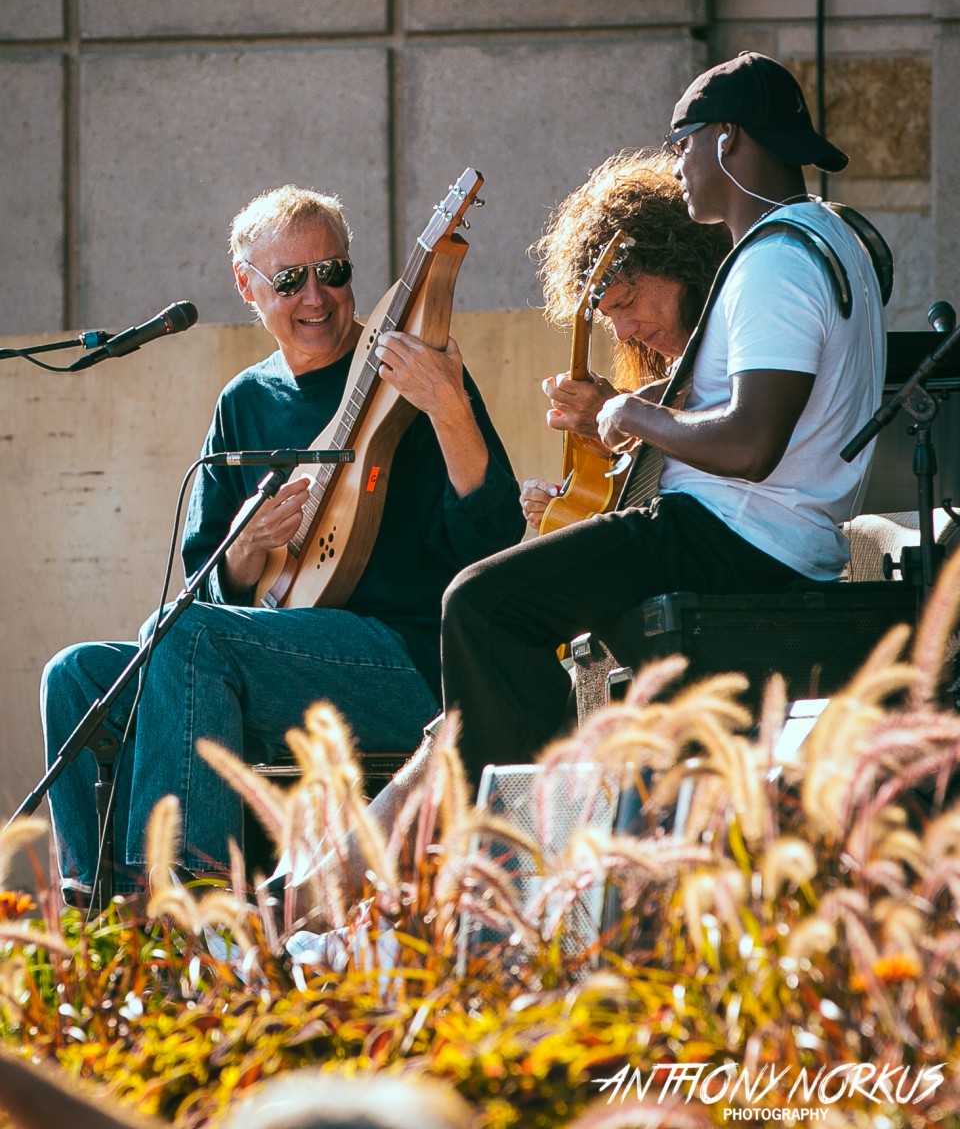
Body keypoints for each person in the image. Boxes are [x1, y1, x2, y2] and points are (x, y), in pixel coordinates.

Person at [40, 185, 525, 899]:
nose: (317, 298)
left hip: (409, 660)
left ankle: (191, 904)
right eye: (291, 279)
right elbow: (205, 589)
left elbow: (492, 537)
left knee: (191, 637)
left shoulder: (409, 371)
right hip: (267, 654)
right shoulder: (243, 402)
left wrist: (449, 408)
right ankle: (104, 913)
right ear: (247, 285)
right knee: (74, 675)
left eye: (334, 272)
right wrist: (240, 555)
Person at [440, 51, 887, 789]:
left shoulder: (777, 263)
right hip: (764, 535)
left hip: (725, 538)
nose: (677, 165)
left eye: (684, 143)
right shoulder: (827, 240)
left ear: (731, 138)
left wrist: (627, 414)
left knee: (480, 607)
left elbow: (750, 440)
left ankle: (511, 852)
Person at [517, 150, 729, 531]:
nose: (623, 331)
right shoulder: (666, 367)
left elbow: (723, 474)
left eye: (627, 302)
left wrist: (616, 413)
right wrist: (577, 500)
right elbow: (654, 497)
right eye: (608, 316)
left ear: (684, 266)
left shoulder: (737, 346)